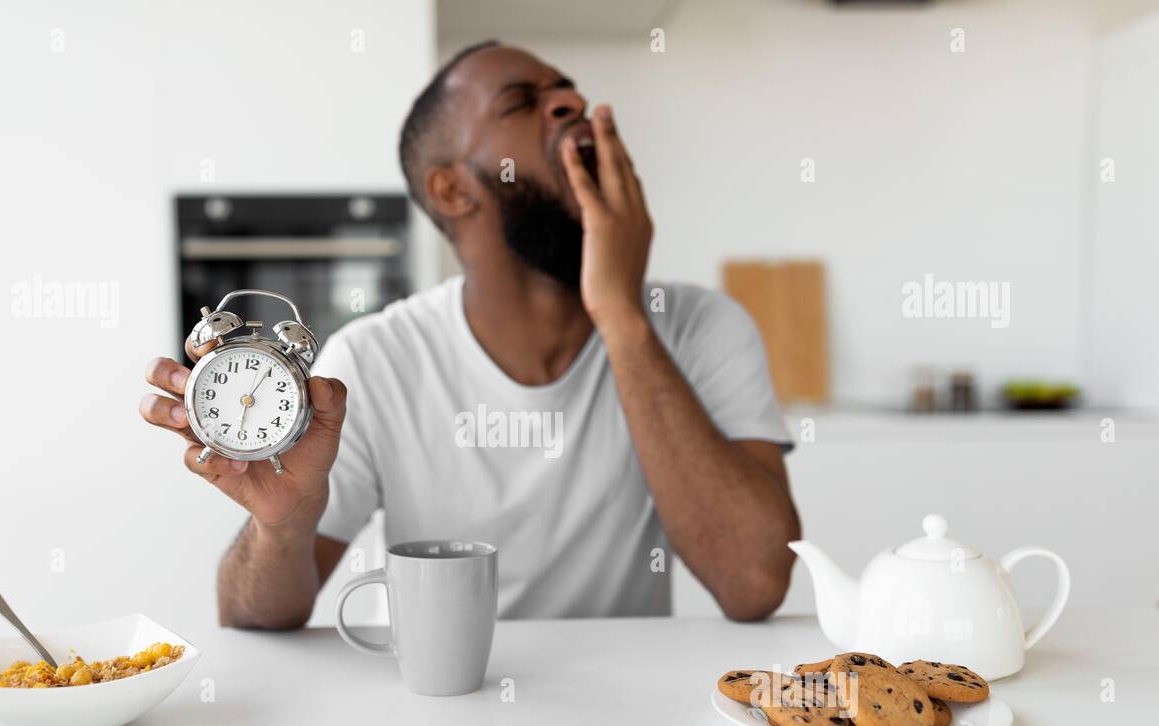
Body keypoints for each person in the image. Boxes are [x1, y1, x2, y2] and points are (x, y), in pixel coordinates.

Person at [140, 41, 800, 628]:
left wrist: (622, 318)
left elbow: (754, 583)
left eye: (568, 90)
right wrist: (280, 526)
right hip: (435, 713)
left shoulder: (703, 328)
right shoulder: (372, 363)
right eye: (523, 101)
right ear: (452, 189)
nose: (572, 101)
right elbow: (254, 618)